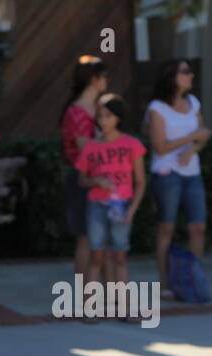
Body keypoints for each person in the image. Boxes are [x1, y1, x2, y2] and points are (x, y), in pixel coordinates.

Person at [76, 94, 147, 316]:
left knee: (119, 256)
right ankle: (90, 307)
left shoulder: (132, 144)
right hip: (97, 205)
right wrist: (96, 180)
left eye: (108, 116)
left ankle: (126, 308)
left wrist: (132, 210)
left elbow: (140, 182)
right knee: (96, 255)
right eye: (100, 116)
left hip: (122, 205)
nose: (103, 121)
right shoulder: (90, 147)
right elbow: (81, 179)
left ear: (118, 118)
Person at [145, 58, 210, 297]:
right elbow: (160, 147)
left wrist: (193, 148)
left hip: (192, 173)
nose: (191, 75)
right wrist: (190, 139)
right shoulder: (156, 108)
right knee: (166, 228)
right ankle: (165, 284)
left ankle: (195, 280)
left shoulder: (193, 102)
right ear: (172, 76)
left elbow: (204, 135)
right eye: (186, 71)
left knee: (198, 227)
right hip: (166, 174)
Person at [60, 56, 110, 281]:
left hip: (106, 179)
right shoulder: (77, 112)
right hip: (84, 179)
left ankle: (110, 295)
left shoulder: (101, 108)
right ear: (93, 78)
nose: (107, 80)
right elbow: (84, 149)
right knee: (86, 239)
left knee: (106, 240)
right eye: (104, 75)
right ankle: (86, 299)